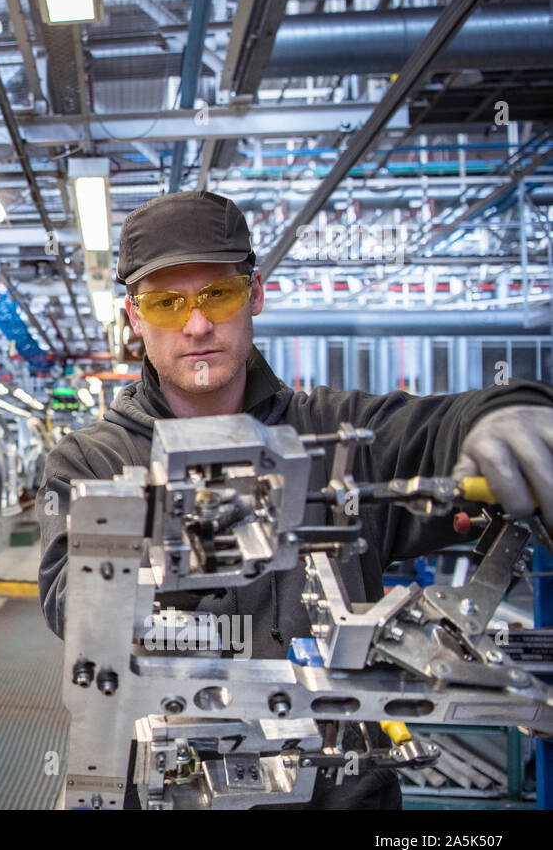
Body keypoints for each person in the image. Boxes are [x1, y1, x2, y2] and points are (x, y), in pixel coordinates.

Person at [35, 190, 553, 808]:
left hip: (337, 794)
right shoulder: (90, 461)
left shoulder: (338, 435)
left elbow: (433, 431)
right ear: (135, 317)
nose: (196, 325)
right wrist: (174, 534)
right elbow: (75, 604)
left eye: (218, 295)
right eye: (166, 303)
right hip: (162, 786)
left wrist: (506, 411)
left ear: (255, 294)